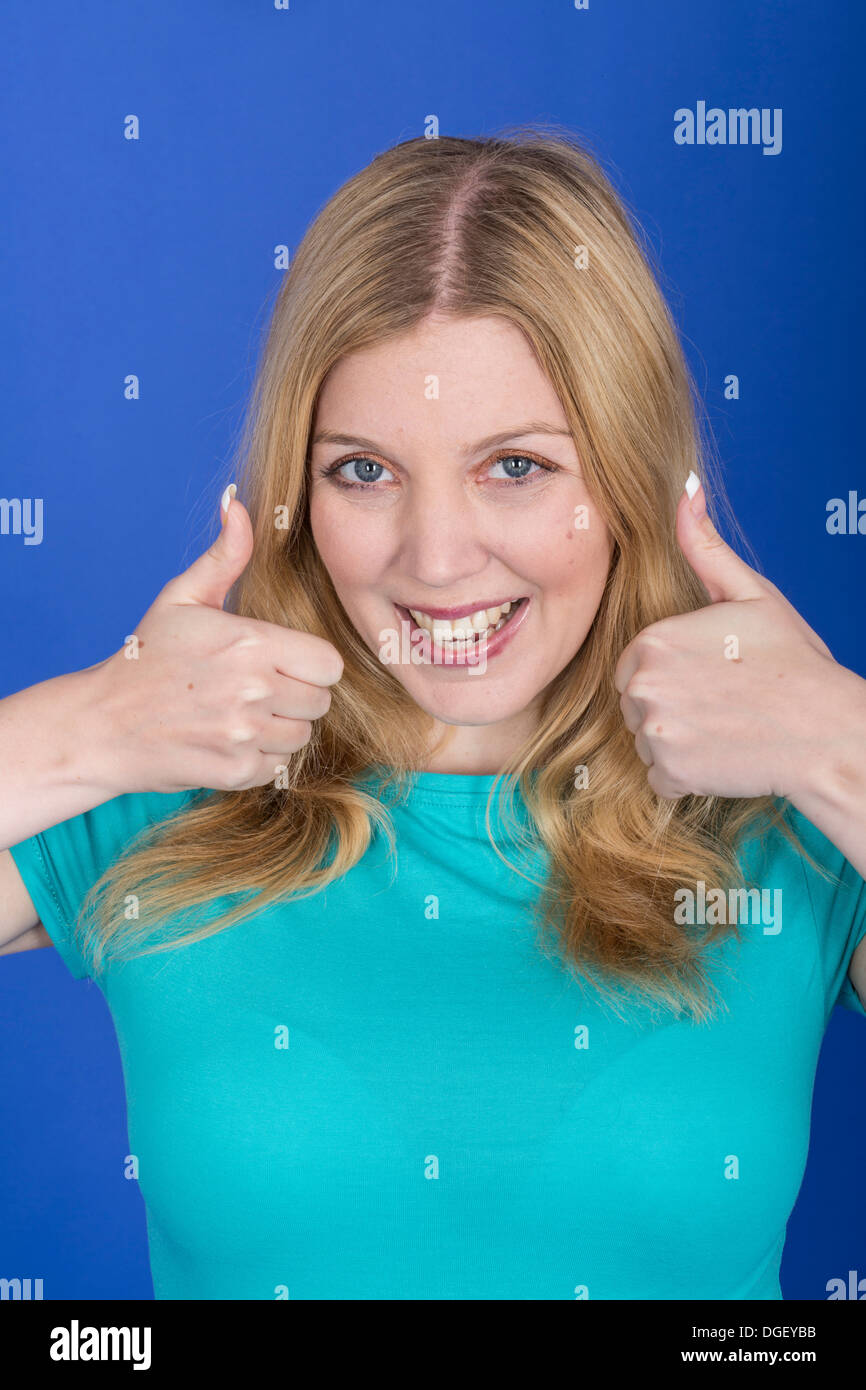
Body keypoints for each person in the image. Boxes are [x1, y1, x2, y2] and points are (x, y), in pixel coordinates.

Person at [2, 126, 865, 1301]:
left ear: (622, 471)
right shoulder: (169, 789)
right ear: (297, 488)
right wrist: (91, 724)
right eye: (363, 470)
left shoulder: (793, 828)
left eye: (514, 465)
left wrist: (832, 738)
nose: (437, 556)